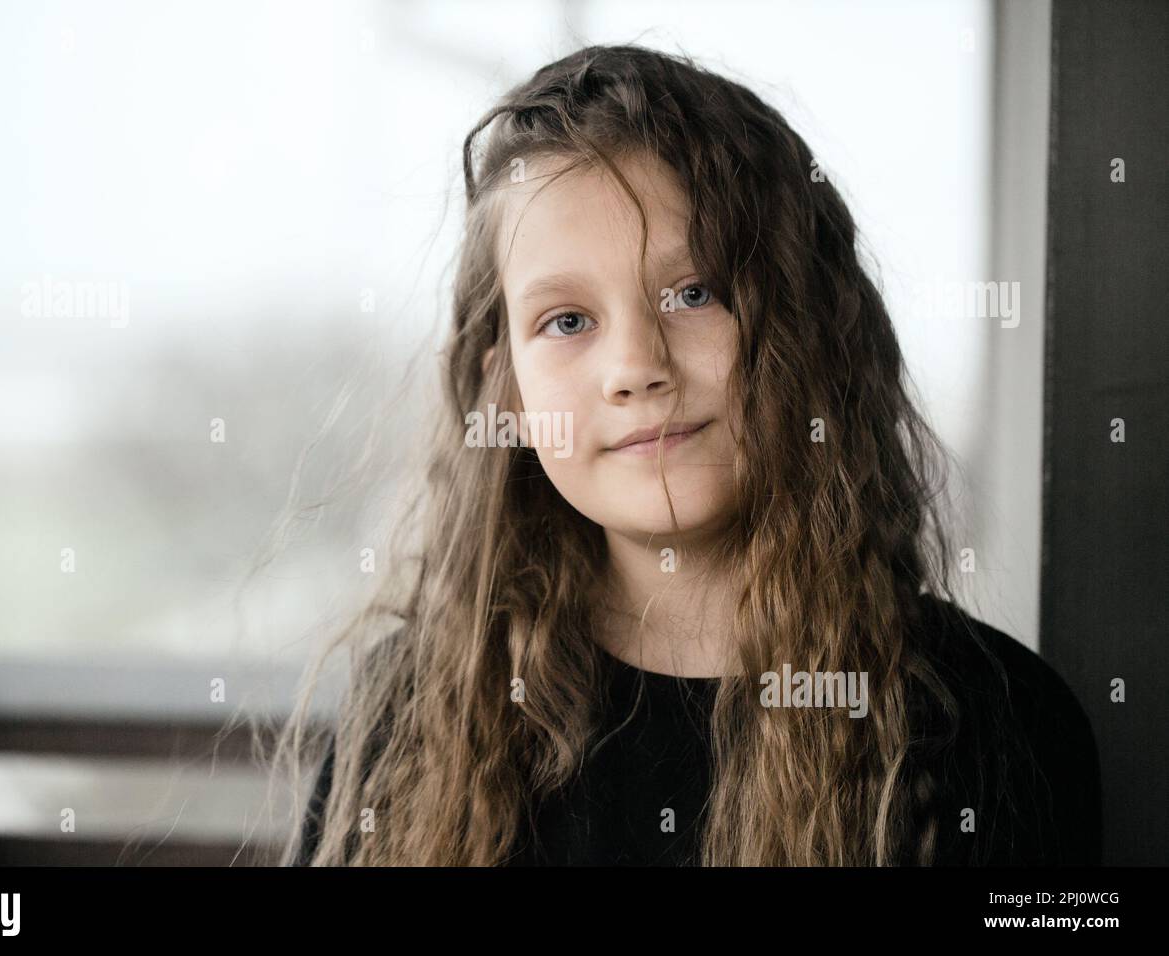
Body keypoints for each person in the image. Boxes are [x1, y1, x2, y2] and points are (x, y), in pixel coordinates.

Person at [277, 43, 1101, 867]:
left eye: (696, 293)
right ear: (508, 393)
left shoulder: (994, 724)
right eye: (567, 321)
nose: (637, 367)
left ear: (806, 328)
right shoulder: (411, 713)